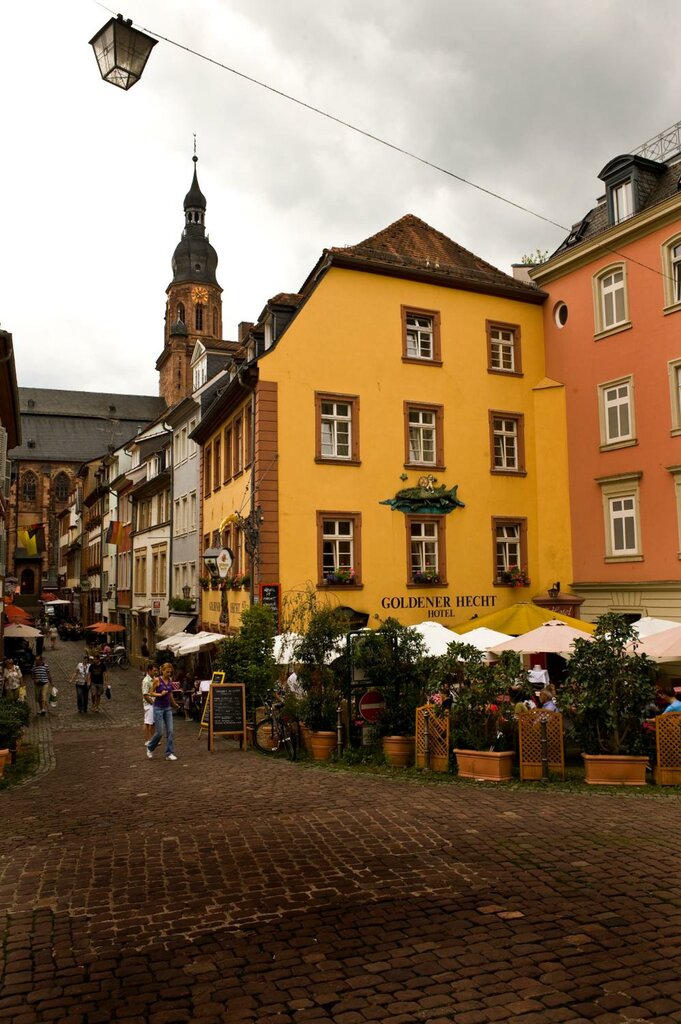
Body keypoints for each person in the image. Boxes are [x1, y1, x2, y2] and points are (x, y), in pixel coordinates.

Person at [145, 662, 180, 761]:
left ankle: (169, 753)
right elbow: (151, 693)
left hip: (167, 708)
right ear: (162, 671)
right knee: (159, 732)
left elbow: (170, 694)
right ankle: (150, 747)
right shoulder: (157, 680)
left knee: (170, 731)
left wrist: (174, 704)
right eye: (167, 671)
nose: (169, 673)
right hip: (158, 708)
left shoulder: (170, 680)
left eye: (170, 672)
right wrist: (160, 694)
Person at [141, 663, 158, 741]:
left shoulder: (154, 679)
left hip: (153, 703)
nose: (156, 672)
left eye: (156, 670)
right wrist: (152, 703)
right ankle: (148, 740)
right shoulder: (146, 681)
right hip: (149, 704)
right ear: (149, 671)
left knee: (153, 722)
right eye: (154, 670)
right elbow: (145, 695)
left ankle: (153, 739)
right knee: (148, 723)